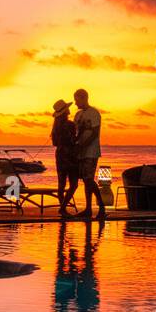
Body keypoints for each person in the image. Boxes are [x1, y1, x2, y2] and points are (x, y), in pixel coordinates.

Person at [73, 88, 105, 219]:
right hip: (81, 152)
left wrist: (83, 146)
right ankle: (88, 208)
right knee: (86, 181)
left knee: (89, 179)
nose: (75, 103)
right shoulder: (78, 115)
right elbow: (76, 133)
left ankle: (101, 207)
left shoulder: (94, 113)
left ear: (83, 98)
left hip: (91, 152)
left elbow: (94, 133)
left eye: (76, 100)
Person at [51, 98, 79, 215]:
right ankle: (63, 208)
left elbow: (55, 143)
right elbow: (74, 140)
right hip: (70, 155)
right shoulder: (70, 125)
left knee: (61, 184)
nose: (69, 110)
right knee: (74, 184)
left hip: (60, 155)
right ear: (66, 111)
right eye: (68, 109)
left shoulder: (55, 127)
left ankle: (63, 208)